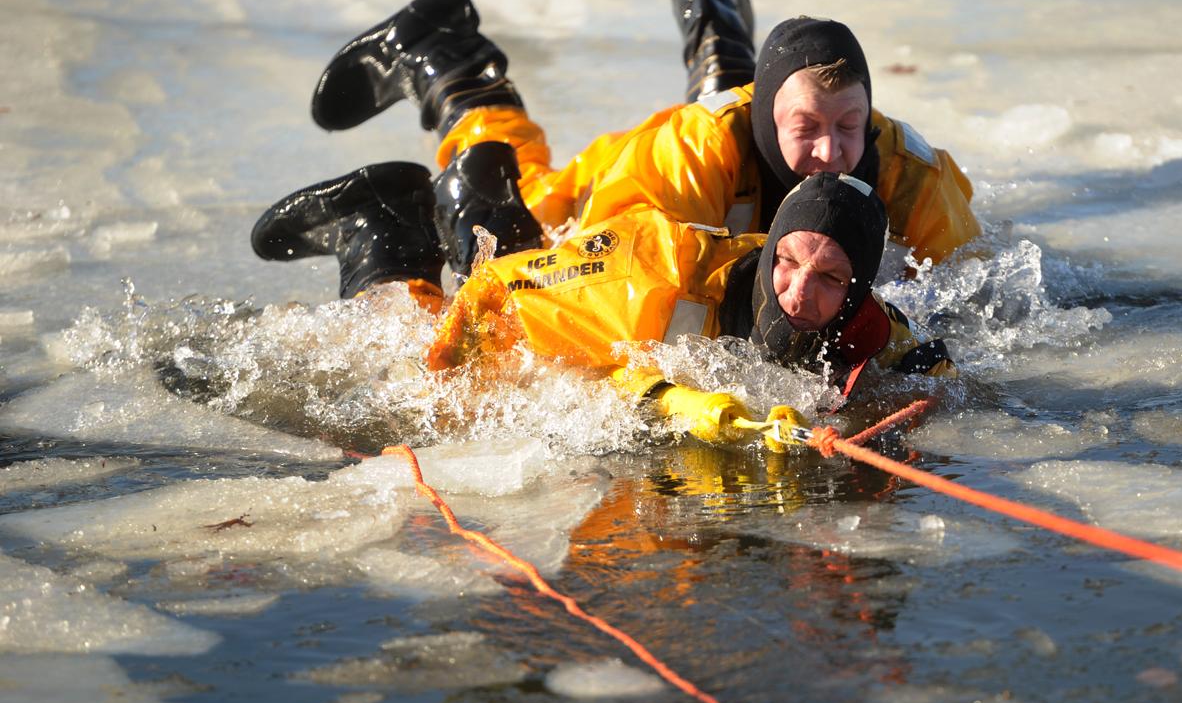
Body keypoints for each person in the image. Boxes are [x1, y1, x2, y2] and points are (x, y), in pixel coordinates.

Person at [306, 0, 980, 272]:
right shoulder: (689, 151)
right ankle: (449, 64)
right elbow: (616, 277)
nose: (832, 151)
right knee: (519, 242)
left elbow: (972, 287)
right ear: (769, 121)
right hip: (611, 194)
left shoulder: (906, 168)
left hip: (732, 150)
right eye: (805, 128)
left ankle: (720, 33)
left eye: (849, 126)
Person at [251, 164, 954, 445]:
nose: (801, 292)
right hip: (531, 312)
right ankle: (379, 233)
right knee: (421, 381)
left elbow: (926, 360)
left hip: (594, 310)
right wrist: (680, 401)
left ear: (858, 288)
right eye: (789, 263)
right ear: (769, 251)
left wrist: (929, 395)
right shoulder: (654, 271)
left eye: (831, 278)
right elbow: (581, 364)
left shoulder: (865, 319)